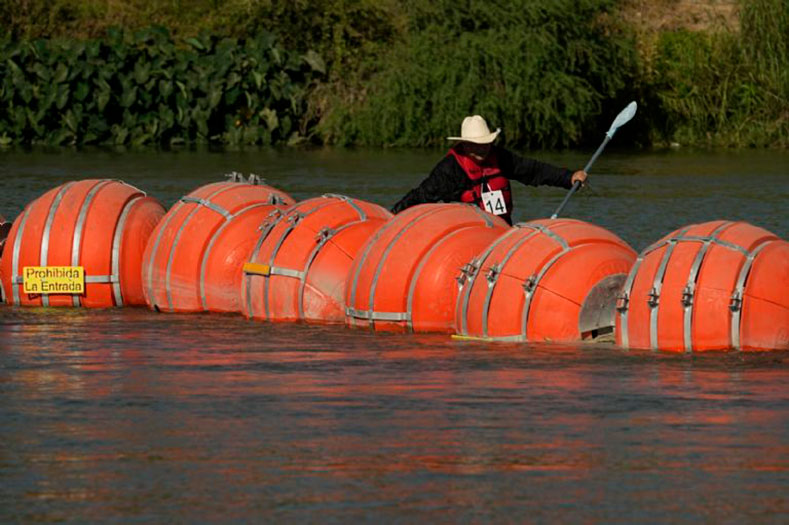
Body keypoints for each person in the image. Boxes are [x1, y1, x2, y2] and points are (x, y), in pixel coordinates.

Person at [391, 115, 588, 225]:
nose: (482, 148)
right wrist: (392, 218)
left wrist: (568, 177)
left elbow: (533, 170)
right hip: (469, 236)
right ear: (465, 144)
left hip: (502, 232)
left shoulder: (499, 157)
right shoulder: (450, 169)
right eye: (476, 144)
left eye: (485, 143)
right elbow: (422, 196)